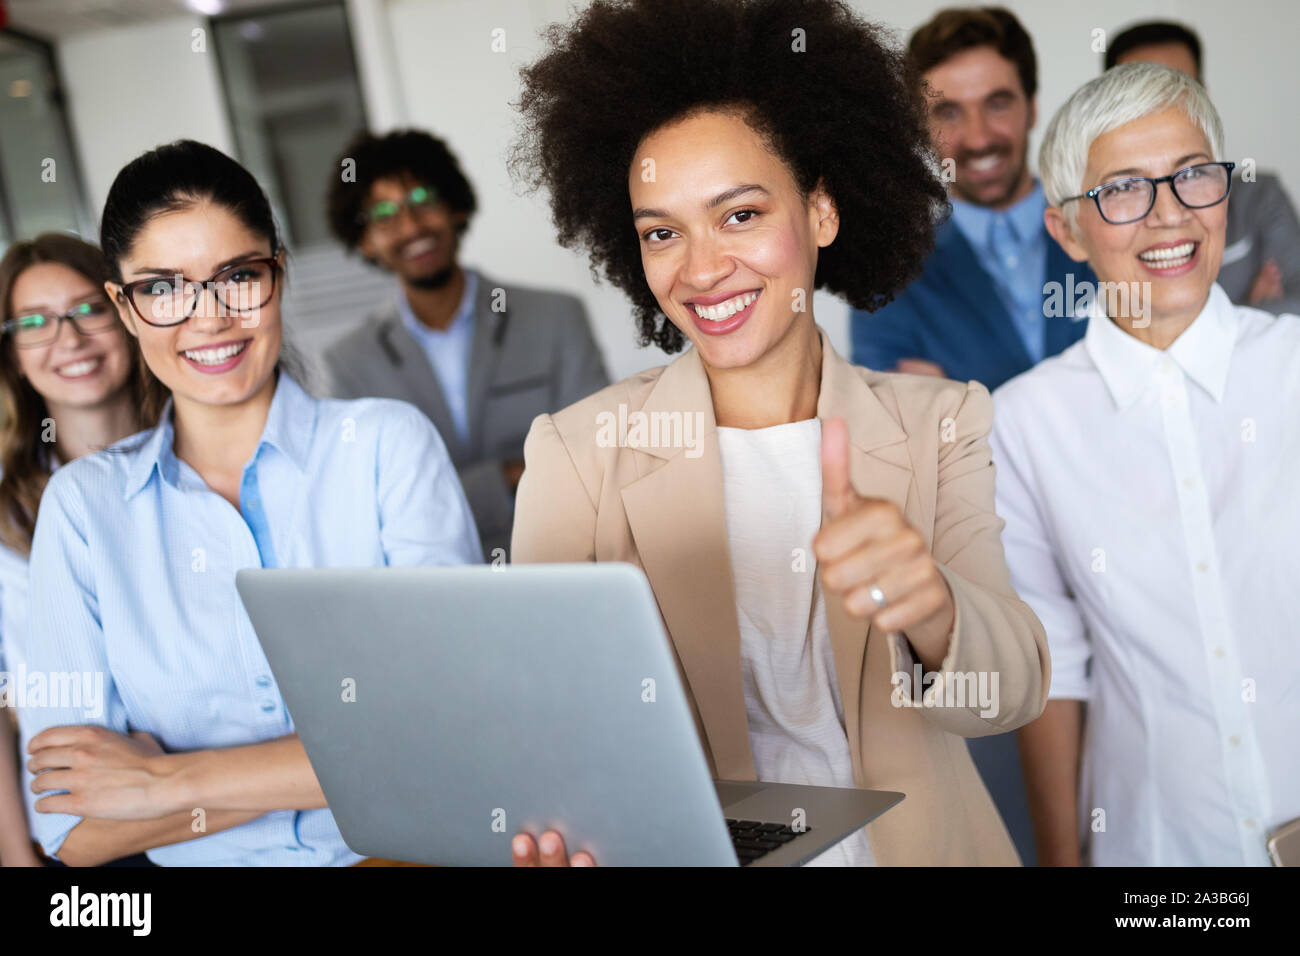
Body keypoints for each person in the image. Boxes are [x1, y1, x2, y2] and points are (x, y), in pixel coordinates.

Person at [506, 0, 1049, 867]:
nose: (703, 267)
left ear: (823, 213)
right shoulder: (576, 456)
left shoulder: (939, 422)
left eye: (741, 214)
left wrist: (934, 605)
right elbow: (540, 731)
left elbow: (1007, 697)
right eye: (661, 233)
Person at [11, 140, 481, 866]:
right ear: (125, 309)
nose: (208, 317)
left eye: (237, 276)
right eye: (164, 287)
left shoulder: (385, 447)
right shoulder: (84, 508)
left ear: (279, 275)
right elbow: (72, 830)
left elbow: (453, 734)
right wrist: (342, 763)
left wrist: (162, 779)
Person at [995, 63, 1300, 865]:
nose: (1170, 216)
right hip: (1159, 852)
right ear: (1067, 231)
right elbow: (1052, 671)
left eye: (1193, 175)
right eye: (1124, 190)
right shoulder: (1026, 420)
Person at [321, 129, 610, 560]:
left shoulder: (555, 318)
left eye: (424, 201)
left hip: (564, 565)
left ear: (454, 206)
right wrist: (505, 477)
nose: (412, 226)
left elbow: (597, 462)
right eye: (384, 215)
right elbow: (371, 508)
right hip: (435, 594)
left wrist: (437, 493)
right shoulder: (349, 361)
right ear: (365, 242)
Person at [0, 234, 163, 867]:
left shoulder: (208, 462)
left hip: (220, 804)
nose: (67, 340)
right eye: (34, 322)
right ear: (13, 354)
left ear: (126, 315)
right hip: (83, 829)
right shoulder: (6, 514)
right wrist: (17, 857)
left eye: (87, 308)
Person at [849, 6, 1092, 391]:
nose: (978, 139)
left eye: (997, 104)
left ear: (1031, 107)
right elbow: (901, 428)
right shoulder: (888, 276)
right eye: (948, 112)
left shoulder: (1103, 226)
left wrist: (963, 403)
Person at [1104, 20, 1300, 316]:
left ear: (1204, 98)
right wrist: (1252, 316)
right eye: (1140, 100)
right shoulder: (1101, 218)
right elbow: (1131, 337)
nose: (1162, 116)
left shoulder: (1260, 197)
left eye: (1179, 92)